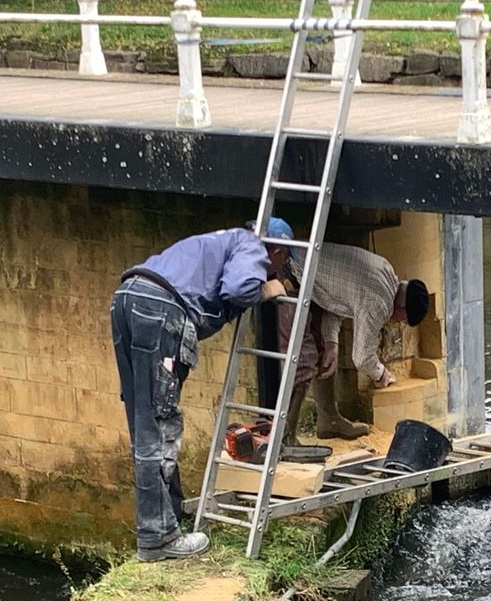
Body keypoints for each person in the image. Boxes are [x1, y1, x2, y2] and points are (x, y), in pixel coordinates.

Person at [110, 219, 291, 563]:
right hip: (160, 309)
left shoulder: (216, 241)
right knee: (159, 423)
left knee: (143, 418)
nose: (279, 269)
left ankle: (169, 515)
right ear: (277, 251)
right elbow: (239, 289)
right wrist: (269, 290)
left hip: (127, 298)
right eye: (283, 263)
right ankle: (158, 538)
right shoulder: (251, 245)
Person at [278, 242, 429, 445]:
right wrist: (381, 374)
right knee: (304, 358)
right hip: (289, 273)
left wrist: (332, 343)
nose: (396, 322)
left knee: (323, 350)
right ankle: (285, 438)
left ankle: (329, 421)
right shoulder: (380, 301)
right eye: (402, 319)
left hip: (309, 277)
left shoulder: (386, 271)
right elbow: (362, 357)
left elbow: (336, 300)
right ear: (401, 309)